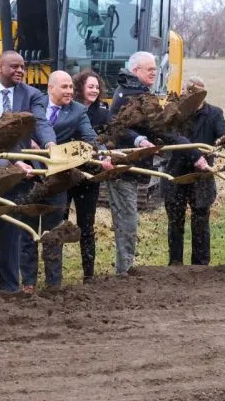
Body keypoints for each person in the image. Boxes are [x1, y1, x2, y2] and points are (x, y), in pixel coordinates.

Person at [0, 50, 55, 293]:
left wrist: (49, 144)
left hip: (15, 173)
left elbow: (40, 122)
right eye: (14, 66)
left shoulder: (32, 95)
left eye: (23, 67)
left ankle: (9, 290)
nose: (20, 71)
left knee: (10, 232)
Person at [19, 70, 105, 289]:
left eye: (71, 87)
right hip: (28, 176)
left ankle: (53, 284)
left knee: (53, 233)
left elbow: (90, 137)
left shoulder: (78, 111)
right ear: (51, 88)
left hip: (57, 180)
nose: (69, 91)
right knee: (27, 233)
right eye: (64, 87)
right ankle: (28, 284)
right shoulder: (33, 103)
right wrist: (27, 142)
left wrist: (103, 154)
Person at [164, 76, 225, 266]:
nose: (195, 98)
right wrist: (195, 156)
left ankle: (201, 266)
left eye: (199, 95)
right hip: (177, 174)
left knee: (201, 220)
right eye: (191, 93)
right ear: (185, 94)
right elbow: (173, 137)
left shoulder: (214, 114)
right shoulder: (174, 113)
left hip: (202, 177)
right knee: (175, 222)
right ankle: (176, 264)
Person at [106, 51, 159, 277]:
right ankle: (124, 272)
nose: (154, 73)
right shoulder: (131, 94)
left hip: (131, 167)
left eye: (155, 69)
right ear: (136, 71)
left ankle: (125, 267)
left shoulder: (133, 90)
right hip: (122, 169)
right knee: (127, 220)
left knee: (128, 218)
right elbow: (118, 126)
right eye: (150, 70)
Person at [68, 69, 111, 280]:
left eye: (97, 87)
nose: (94, 90)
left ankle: (89, 274)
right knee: (59, 221)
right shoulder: (68, 109)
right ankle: (54, 274)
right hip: (66, 173)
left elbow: (107, 137)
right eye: (90, 86)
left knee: (87, 224)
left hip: (89, 175)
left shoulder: (102, 113)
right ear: (80, 88)